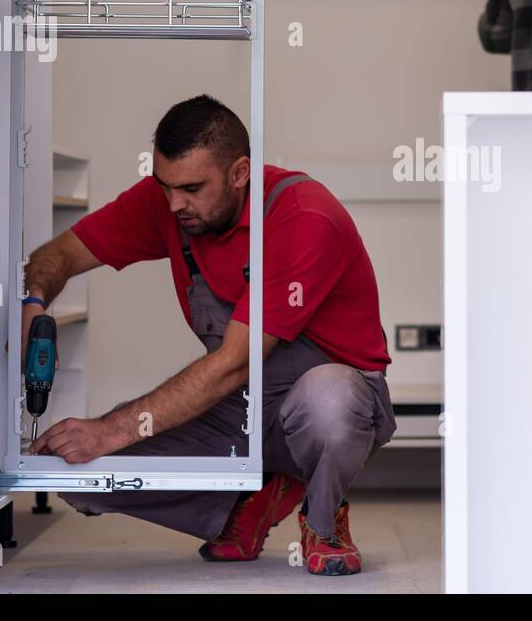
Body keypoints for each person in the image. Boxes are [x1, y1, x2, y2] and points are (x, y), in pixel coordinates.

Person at [21, 94, 395, 576]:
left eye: (193, 188)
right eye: (165, 186)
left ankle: (324, 521)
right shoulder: (171, 203)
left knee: (330, 402)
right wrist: (34, 301)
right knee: (74, 471)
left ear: (239, 173)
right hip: (240, 401)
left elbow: (235, 360)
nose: (175, 204)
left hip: (318, 396)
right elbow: (61, 254)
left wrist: (109, 430)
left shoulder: (302, 216)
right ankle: (253, 496)